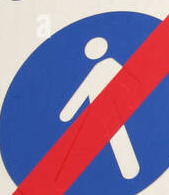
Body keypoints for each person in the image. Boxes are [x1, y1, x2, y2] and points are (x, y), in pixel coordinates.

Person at [59, 36, 140, 179]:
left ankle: (130, 170)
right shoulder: (103, 67)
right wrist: (67, 113)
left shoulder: (109, 65)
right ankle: (63, 176)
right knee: (88, 141)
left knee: (115, 137)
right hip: (97, 112)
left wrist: (68, 114)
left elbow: (128, 82)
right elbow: (83, 91)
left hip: (110, 109)